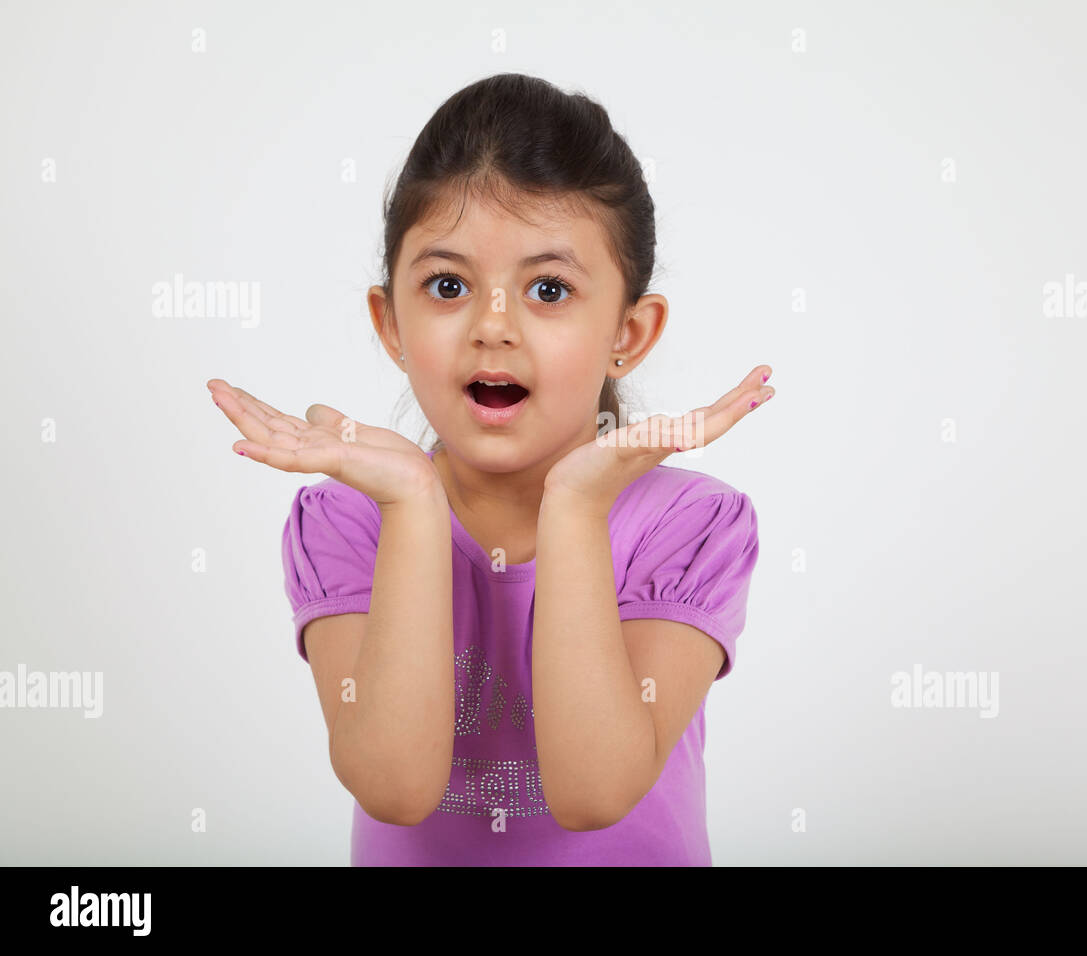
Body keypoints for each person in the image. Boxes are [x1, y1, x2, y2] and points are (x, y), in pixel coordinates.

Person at [206, 72, 775, 865]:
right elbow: (394, 786)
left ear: (630, 332)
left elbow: (595, 791)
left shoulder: (692, 526)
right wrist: (410, 505)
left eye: (549, 288)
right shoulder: (347, 520)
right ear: (390, 322)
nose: (493, 328)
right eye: (448, 285)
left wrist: (574, 508)